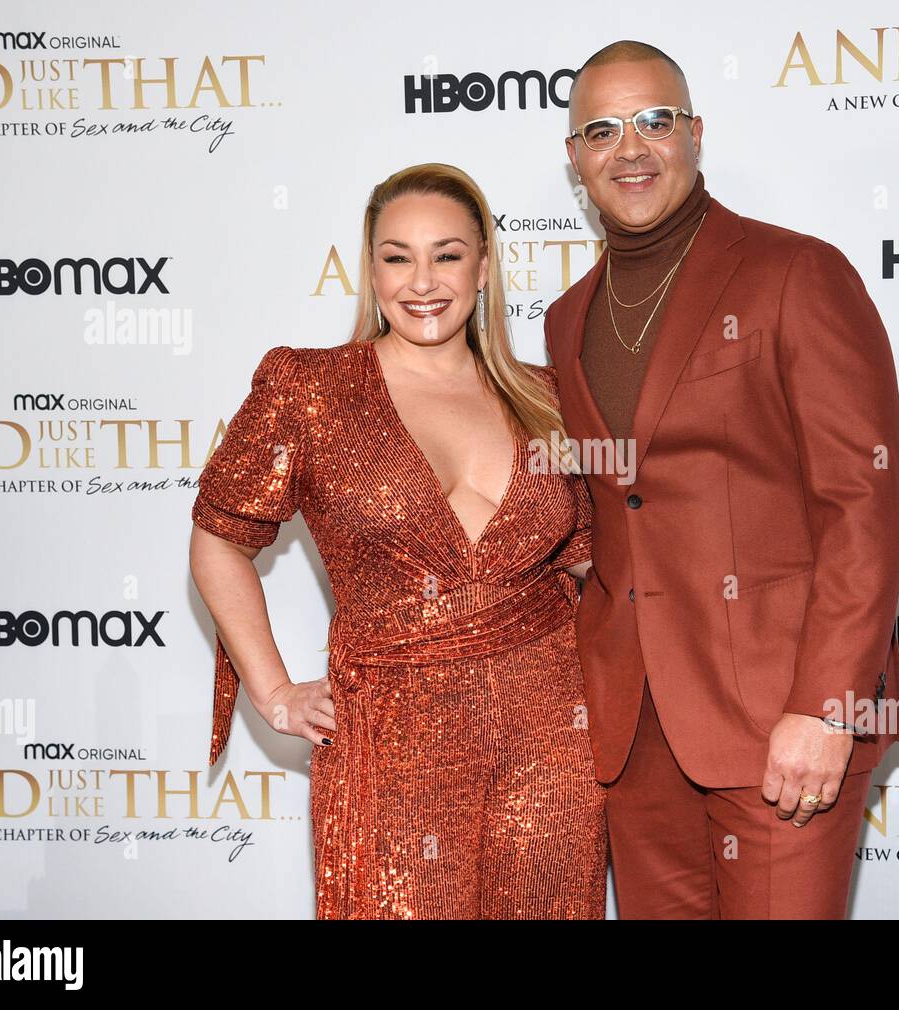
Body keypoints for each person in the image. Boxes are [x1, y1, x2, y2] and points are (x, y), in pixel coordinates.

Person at [545, 41, 899, 919]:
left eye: (654, 121)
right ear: (575, 160)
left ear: (695, 133)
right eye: (601, 129)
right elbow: (607, 511)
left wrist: (827, 710)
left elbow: (863, 503)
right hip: (634, 733)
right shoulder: (566, 320)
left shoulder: (795, 272)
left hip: (781, 725)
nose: (630, 148)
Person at [188, 163, 607, 919]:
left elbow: (596, 562)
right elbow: (219, 538)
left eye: (447, 254)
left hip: (552, 734)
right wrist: (274, 692)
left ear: (483, 268)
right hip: (391, 735)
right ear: (370, 268)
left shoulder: (549, 397)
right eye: (396, 256)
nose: (423, 280)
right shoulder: (309, 390)